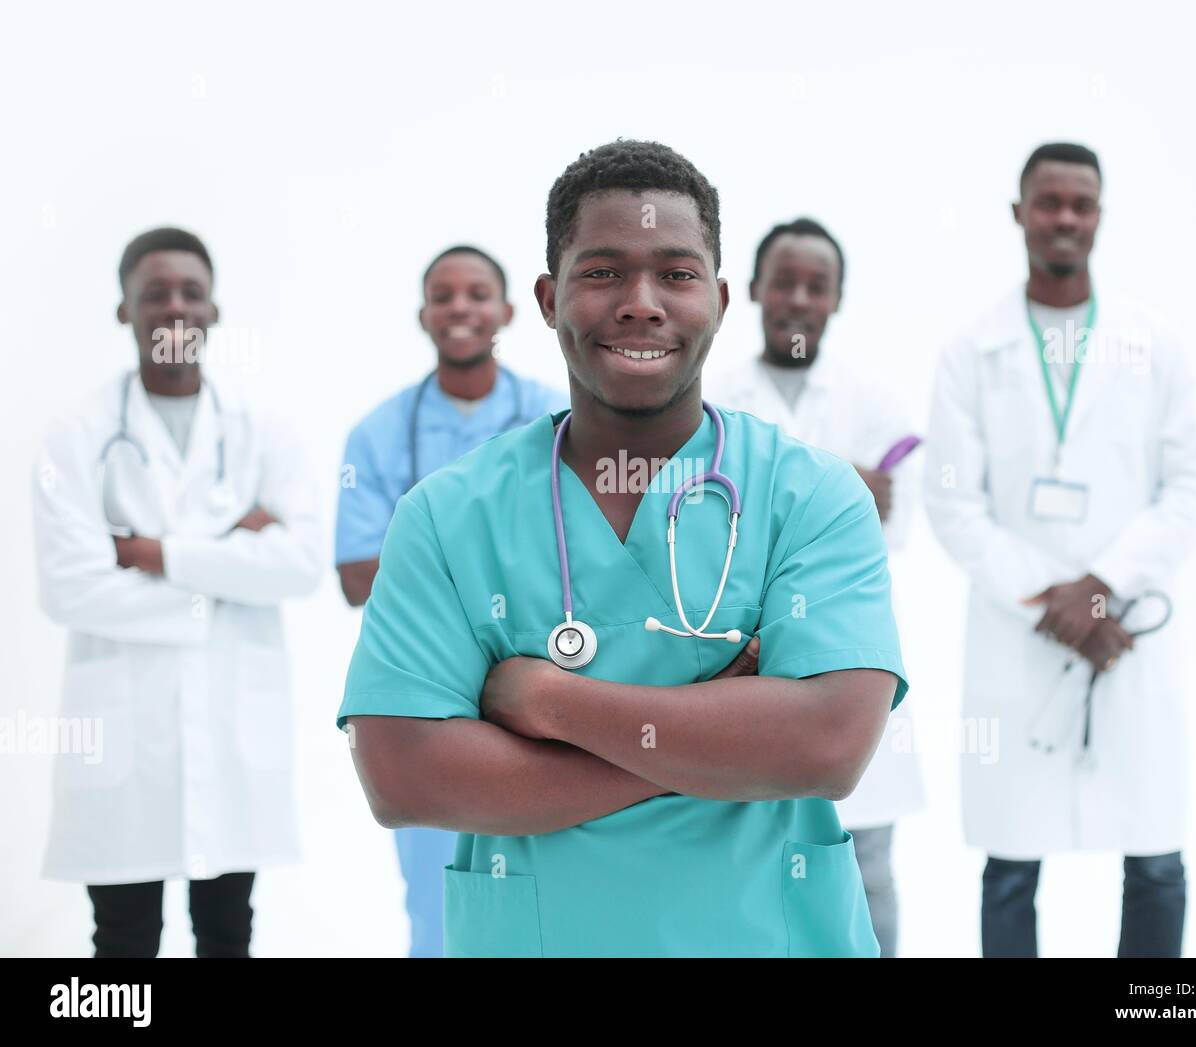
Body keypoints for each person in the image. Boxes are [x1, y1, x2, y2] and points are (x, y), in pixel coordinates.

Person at [337, 139, 909, 957]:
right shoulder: (447, 515)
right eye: (602, 272)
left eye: (675, 274)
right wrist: (717, 740)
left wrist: (549, 705)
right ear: (546, 298)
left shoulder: (810, 497)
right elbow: (402, 773)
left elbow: (825, 745)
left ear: (715, 298)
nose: (641, 303)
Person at [922, 143, 1196, 958]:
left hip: (1126, 627)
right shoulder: (969, 351)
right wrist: (1058, 599)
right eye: (1047, 201)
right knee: (1012, 864)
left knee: (1156, 856)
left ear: (1098, 217)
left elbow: (1194, 486)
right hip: (1021, 632)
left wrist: (1099, 588)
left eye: (1079, 204)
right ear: (1018, 213)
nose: (1063, 217)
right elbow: (951, 500)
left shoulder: (1153, 344)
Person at [33, 227, 325, 957]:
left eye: (191, 292)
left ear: (215, 310)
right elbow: (70, 589)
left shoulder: (264, 432)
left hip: (233, 731)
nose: (175, 307)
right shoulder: (78, 436)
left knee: (228, 933)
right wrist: (229, 567)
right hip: (125, 736)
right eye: (154, 294)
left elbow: (299, 563)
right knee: (124, 937)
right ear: (123, 312)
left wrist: (150, 554)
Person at [335, 245, 565, 957]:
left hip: (547, 689)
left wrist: (424, 559)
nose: (460, 307)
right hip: (425, 694)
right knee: (440, 905)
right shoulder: (376, 434)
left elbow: (589, 558)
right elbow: (353, 577)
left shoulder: (559, 421)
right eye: (444, 295)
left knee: (560, 891)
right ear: (423, 314)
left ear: (506, 310)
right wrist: (494, 564)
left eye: (476, 294)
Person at [705, 217, 924, 957]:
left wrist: (778, 505)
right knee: (744, 875)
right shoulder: (711, 397)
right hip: (738, 664)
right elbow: (707, 545)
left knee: (866, 872)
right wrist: (842, 486)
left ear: (836, 298)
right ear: (755, 289)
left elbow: (890, 527)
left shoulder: (876, 401)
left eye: (816, 285)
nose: (798, 298)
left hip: (847, 659)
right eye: (784, 282)